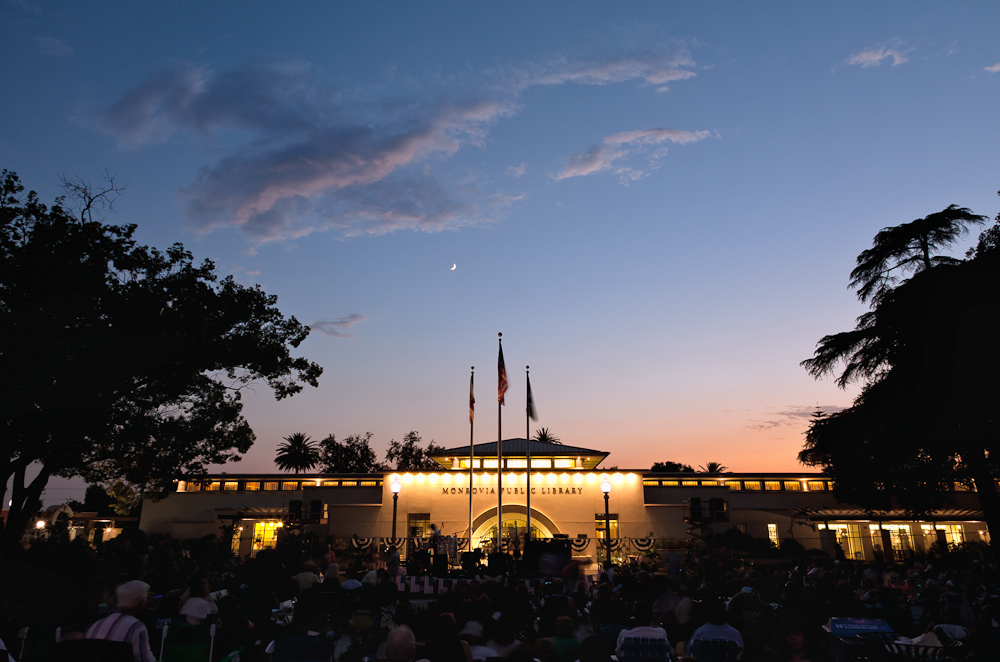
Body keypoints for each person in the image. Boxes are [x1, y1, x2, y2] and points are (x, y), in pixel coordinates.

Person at [85, 580, 156, 662]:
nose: (146, 601)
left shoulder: (95, 625)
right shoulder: (136, 627)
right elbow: (145, 660)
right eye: (145, 598)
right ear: (139, 602)